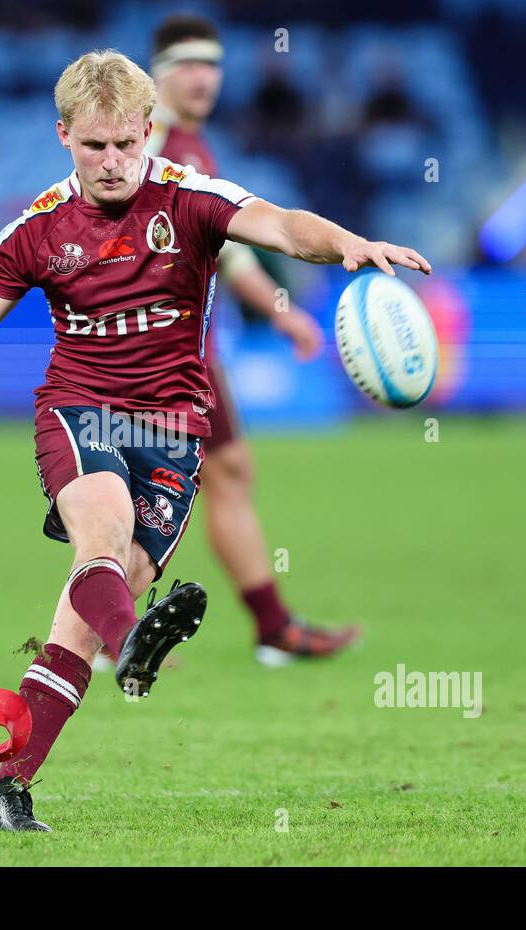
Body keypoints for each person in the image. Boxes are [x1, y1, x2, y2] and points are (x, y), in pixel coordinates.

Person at [0, 50, 428, 831]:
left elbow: (279, 225)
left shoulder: (191, 200)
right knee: (102, 537)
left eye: (126, 145)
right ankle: (135, 637)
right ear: (63, 136)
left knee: (79, 625)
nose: (112, 163)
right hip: (80, 415)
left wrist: (343, 242)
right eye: (93, 146)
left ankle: (4, 796)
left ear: (149, 131)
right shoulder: (35, 231)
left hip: (175, 434)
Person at [143, 14, 363, 666]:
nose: (201, 76)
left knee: (216, 475)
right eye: (186, 62)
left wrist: (280, 309)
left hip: (188, 346)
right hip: (161, 348)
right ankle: (106, 633)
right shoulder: (147, 141)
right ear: (156, 71)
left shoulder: (193, 149)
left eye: (211, 63)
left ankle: (271, 628)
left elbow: (228, 248)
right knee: (170, 489)